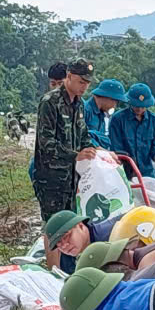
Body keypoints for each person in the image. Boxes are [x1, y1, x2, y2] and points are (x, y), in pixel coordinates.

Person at [30, 60, 92, 225]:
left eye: (87, 83)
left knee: (72, 229)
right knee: (54, 231)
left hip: (73, 181)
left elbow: (83, 135)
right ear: (69, 77)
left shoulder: (79, 104)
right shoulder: (50, 102)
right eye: (81, 82)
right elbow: (46, 142)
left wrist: (94, 150)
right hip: (52, 181)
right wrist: (75, 155)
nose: (84, 87)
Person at [111, 83, 155, 177]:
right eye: (136, 106)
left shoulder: (154, 120)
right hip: (124, 171)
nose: (139, 109)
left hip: (147, 172)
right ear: (130, 102)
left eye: (143, 106)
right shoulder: (118, 119)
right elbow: (115, 146)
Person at [85, 78, 128, 147]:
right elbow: (81, 136)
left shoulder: (102, 115)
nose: (114, 106)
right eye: (115, 101)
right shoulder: (85, 111)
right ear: (106, 97)